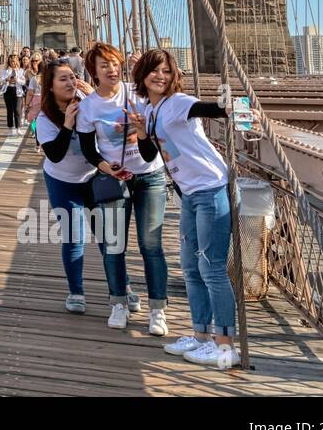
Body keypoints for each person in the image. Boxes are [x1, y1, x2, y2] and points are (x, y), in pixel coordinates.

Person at [131, 48, 241, 369]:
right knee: (191, 269)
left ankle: (225, 346)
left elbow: (211, 109)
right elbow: (151, 154)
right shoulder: (152, 111)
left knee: (212, 268)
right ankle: (201, 336)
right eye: (154, 70)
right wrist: (141, 133)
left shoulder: (177, 102)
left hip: (211, 189)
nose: (160, 76)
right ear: (143, 75)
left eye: (166, 70)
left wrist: (231, 103)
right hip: (190, 195)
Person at [76, 42, 168, 336]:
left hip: (150, 177)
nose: (112, 69)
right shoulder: (88, 107)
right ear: (94, 71)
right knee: (114, 245)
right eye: (104, 65)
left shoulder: (138, 93)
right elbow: (90, 150)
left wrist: (146, 68)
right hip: (116, 180)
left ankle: (157, 310)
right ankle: (118, 303)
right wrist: (106, 167)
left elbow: (168, 99)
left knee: (151, 245)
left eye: (115, 63)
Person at [33, 58, 108, 314]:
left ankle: (122, 287)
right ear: (50, 86)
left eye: (72, 77)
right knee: (75, 237)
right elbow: (54, 154)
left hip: (94, 179)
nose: (70, 82)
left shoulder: (88, 104)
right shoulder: (45, 117)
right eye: (62, 78)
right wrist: (67, 124)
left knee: (108, 235)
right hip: (62, 182)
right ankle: (76, 292)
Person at [0, 54, 25, 130]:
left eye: (14, 61)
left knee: (17, 110)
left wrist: (17, 80)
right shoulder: (4, 71)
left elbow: (23, 82)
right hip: (8, 90)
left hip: (17, 91)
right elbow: (0, 80)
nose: (13, 63)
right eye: (11, 61)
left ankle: (18, 128)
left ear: (17, 61)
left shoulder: (21, 70)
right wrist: (7, 79)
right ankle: (10, 127)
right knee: (9, 110)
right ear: (9, 62)